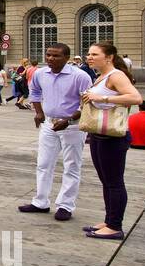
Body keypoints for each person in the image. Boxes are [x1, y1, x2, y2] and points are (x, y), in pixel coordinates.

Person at [19, 42, 91, 222]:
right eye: (48, 55)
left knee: (71, 166)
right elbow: (35, 92)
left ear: (67, 58)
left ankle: (65, 205)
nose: (50, 58)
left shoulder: (80, 76)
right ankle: (40, 202)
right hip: (49, 124)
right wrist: (39, 112)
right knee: (43, 164)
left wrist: (69, 120)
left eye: (56, 55)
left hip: (72, 127)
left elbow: (87, 104)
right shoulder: (40, 73)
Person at [81, 42, 143, 240]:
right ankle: (109, 221)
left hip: (113, 137)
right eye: (88, 54)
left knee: (114, 182)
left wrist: (103, 98)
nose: (89, 57)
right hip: (99, 134)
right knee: (106, 181)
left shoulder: (116, 75)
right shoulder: (101, 76)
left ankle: (115, 226)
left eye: (94, 54)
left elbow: (136, 98)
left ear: (108, 57)